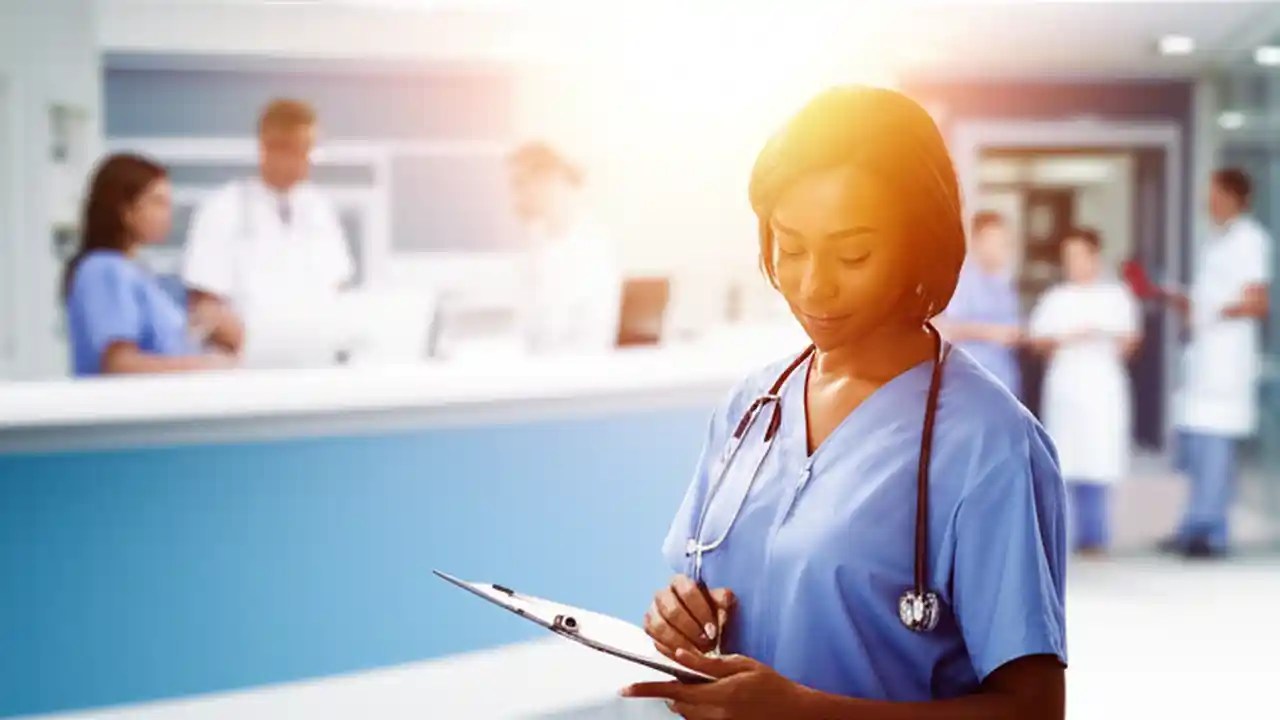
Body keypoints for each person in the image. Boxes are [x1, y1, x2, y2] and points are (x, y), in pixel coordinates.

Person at [621, 87, 1066, 719]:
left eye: (853, 253)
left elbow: (1033, 711)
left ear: (920, 245)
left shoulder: (988, 443)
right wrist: (677, 614)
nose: (812, 285)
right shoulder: (753, 406)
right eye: (791, 246)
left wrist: (802, 712)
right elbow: (710, 579)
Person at [1160, 168, 1271, 558]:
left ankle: (1211, 533)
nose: (1208, 201)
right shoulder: (1215, 241)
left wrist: (1211, 310)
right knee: (1198, 450)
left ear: (1232, 196)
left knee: (1216, 452)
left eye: (1214, 194)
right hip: (1206, 360)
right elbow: (1208, 300)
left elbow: (1258, 303)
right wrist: (1176, 298)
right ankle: (1197, 524)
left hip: (1227, 363)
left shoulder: (1250, 240)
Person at [181, 98, 353, 350]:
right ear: (266, 147)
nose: (306, 160)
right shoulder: (223, 208)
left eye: (310, 149)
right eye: (298, 149)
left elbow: (337, 291)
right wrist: (259, 348)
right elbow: (204, 306)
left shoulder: (320, 209)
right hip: (248, 370)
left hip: (318, 364)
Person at [64, 154, 235, 375]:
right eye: (157, 202)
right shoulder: (104, 271)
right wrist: (203, 366)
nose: (167, 213)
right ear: (125, 210)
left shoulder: (139, 275)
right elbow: (119, 365)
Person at [1028, 228, 1141, 557]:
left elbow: (1131, 341)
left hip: (1101, 387)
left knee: (1098, 460)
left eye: (1079, 256)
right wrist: (1068, 337)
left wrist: (1099, 334)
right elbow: (1037, 340)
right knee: (1066, 461)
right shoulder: (1056, 298)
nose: (1073, 264)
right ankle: (1062, 537)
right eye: (1068, 258)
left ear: (1095, 257)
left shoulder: (1116, 296)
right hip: (1066, 386)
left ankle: (1095, 536)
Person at [507, 141, 621, 354]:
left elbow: (559, 333)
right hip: (540, 370)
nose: (514, 197)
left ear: (546, 181)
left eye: (519, 184)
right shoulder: (539, 243)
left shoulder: (587, 247)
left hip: (573, 375)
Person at [935, 211, 1023, 396]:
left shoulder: (1004, 284)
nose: (1001, 248)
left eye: (1004, 242)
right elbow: (943, 330)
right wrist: (989, 333)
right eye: (994, 241)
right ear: (977, 242)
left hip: (1002, 379)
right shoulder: (960, 283)